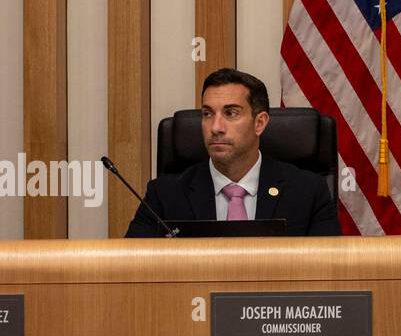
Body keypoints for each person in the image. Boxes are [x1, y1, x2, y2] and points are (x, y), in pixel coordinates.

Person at [126, 68, 341, 237]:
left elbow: (330, 270)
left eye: (230, 113)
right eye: (208, 114)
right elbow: (132, 268)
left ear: (260, 123)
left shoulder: (308, 192)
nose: (216, 127)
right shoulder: (164, 196)